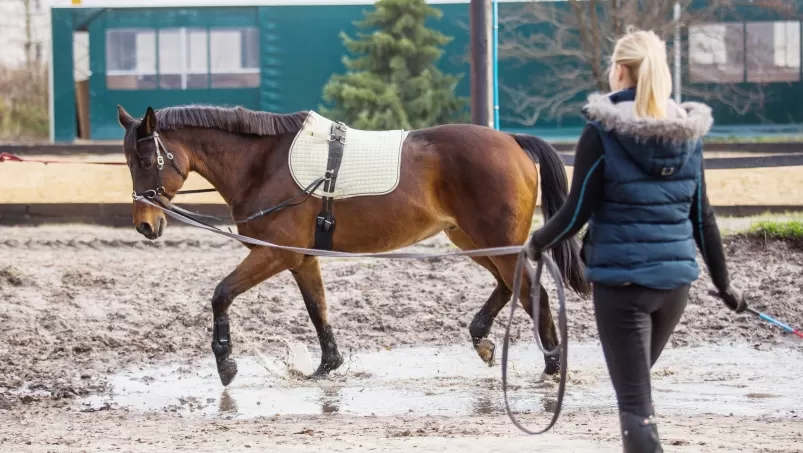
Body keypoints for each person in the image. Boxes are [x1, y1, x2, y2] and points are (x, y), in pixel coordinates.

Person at [524, 27, 748, 453]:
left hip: (623, 288)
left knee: (634, 405)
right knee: (639, 394)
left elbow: (575, 212)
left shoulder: (602, 132)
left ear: (621, 71)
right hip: (675, 288)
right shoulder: (687, 133)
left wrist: (537, 242)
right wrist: (724, 286)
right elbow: (704, 219)